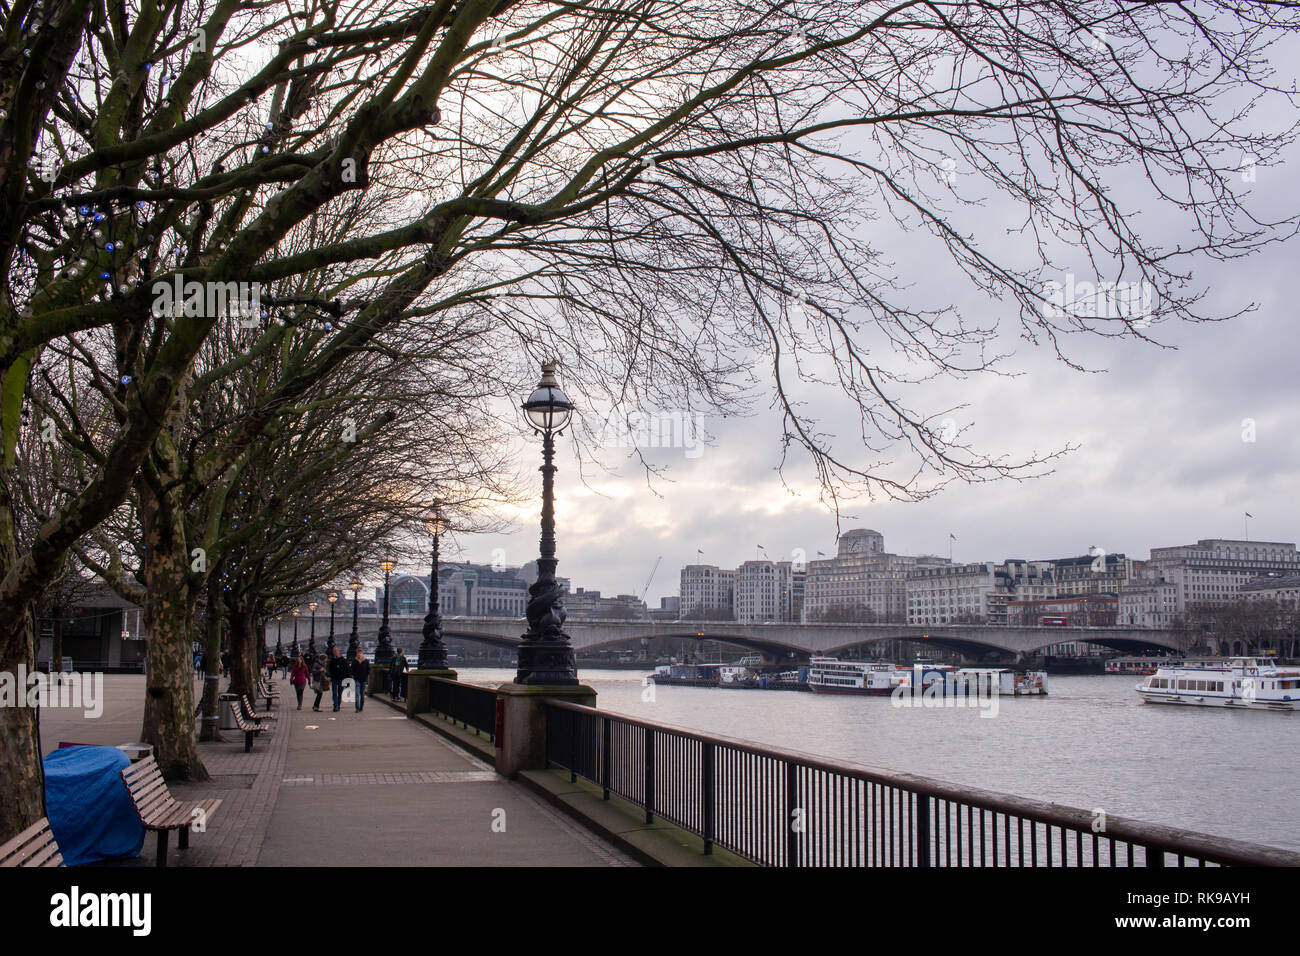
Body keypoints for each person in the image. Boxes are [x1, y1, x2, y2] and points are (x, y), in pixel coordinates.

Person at [327, 646, 350, 712]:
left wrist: (348, 680)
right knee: (334, 693)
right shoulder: (332, 661)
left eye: (336, 651)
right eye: (334, 651)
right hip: (334, 679)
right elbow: (329, 669)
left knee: (340, 693)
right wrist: (330, 676)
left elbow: (347, 671)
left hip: (342, 679)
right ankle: (336, 705)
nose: (335, 652)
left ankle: (338, 704)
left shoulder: (343, 660)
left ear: (338, 652)